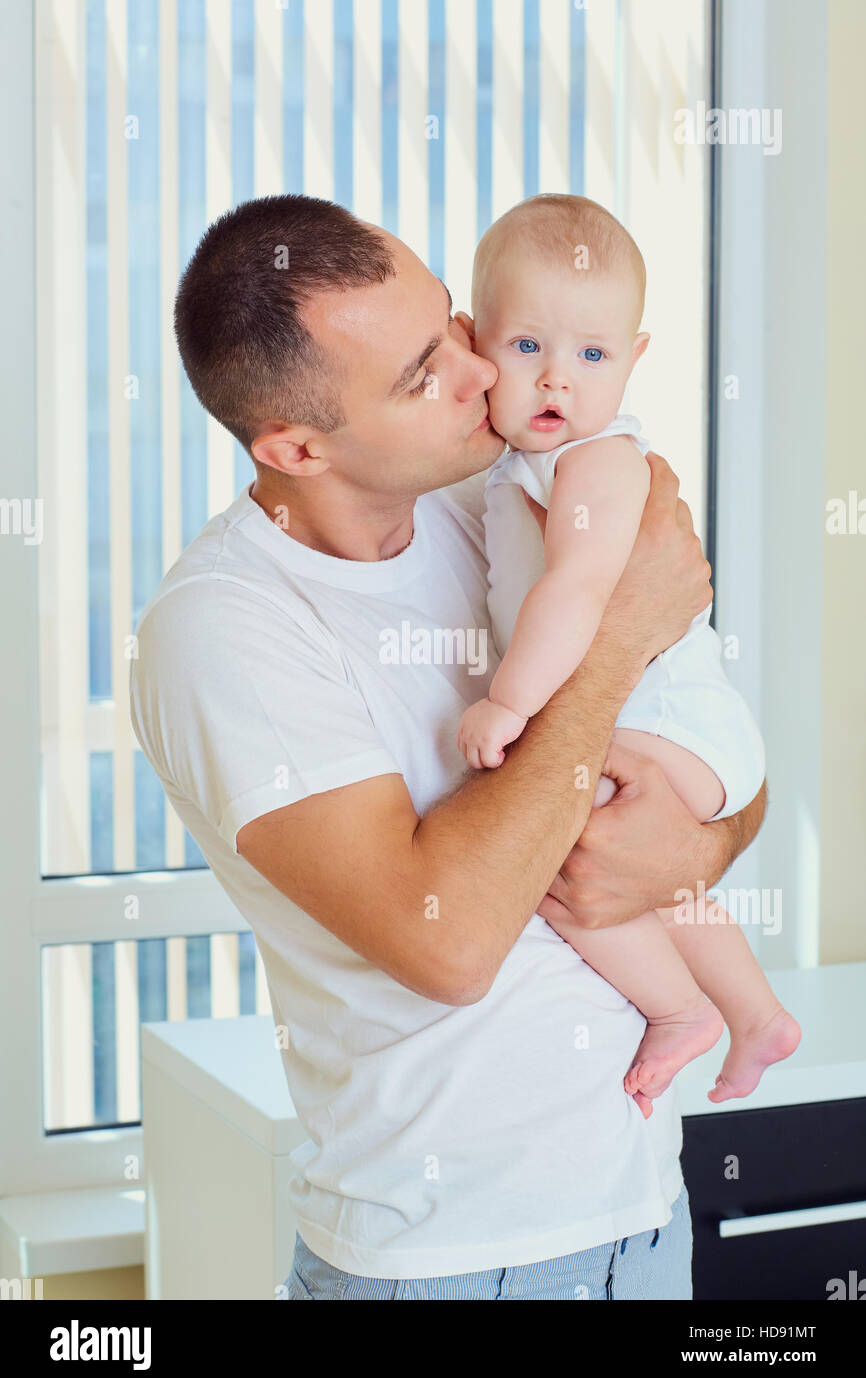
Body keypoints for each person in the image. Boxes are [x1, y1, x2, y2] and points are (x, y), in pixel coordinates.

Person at [130, 193, 766, 1300]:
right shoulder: (223, 629)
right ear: (294, 444)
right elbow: (449, 943)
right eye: (424, 370)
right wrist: (611, 648)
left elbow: (707, 767)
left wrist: (694, 852)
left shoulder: (494, 494)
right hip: (442, 1262)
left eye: (457, 327)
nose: (483, 375)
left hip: (641, 1217)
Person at [456, 194, 800, 1119]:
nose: (556, 381)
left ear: (635, 360)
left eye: (593, 356)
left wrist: (509, 705)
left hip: (673, 719)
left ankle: (679, 1009)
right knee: (630, 859)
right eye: (526, 348)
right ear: (471, 337)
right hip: (661, 722)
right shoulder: (520, 466)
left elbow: (574, 592)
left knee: (548, 839)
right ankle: (756, 1013)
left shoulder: (598, 462)